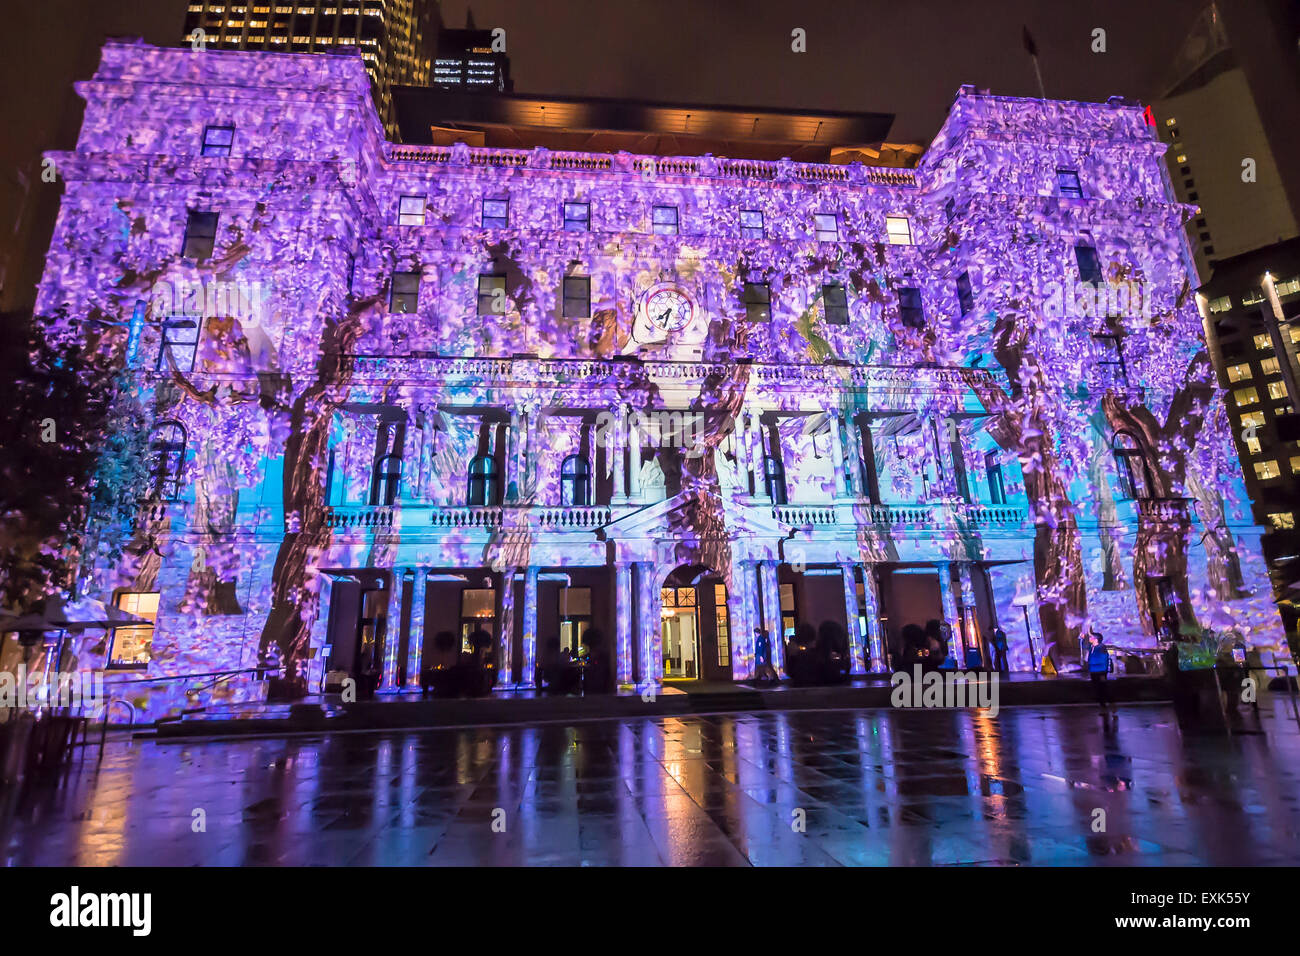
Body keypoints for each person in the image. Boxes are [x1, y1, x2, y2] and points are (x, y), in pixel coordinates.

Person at [1087, 631, 1111, 707]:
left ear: (1096, 639)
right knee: (1097, 688)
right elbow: (1083, 646)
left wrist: (1092, 662)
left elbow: (1103, 659)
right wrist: (1080, 639)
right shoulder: (1092, 647)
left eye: (1091, 637)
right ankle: (1102, 705)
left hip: (1101, 672)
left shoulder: (1101, 647)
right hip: (1093, 671)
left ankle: (1110, 703)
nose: (1090, 638)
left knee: (1103, 688)